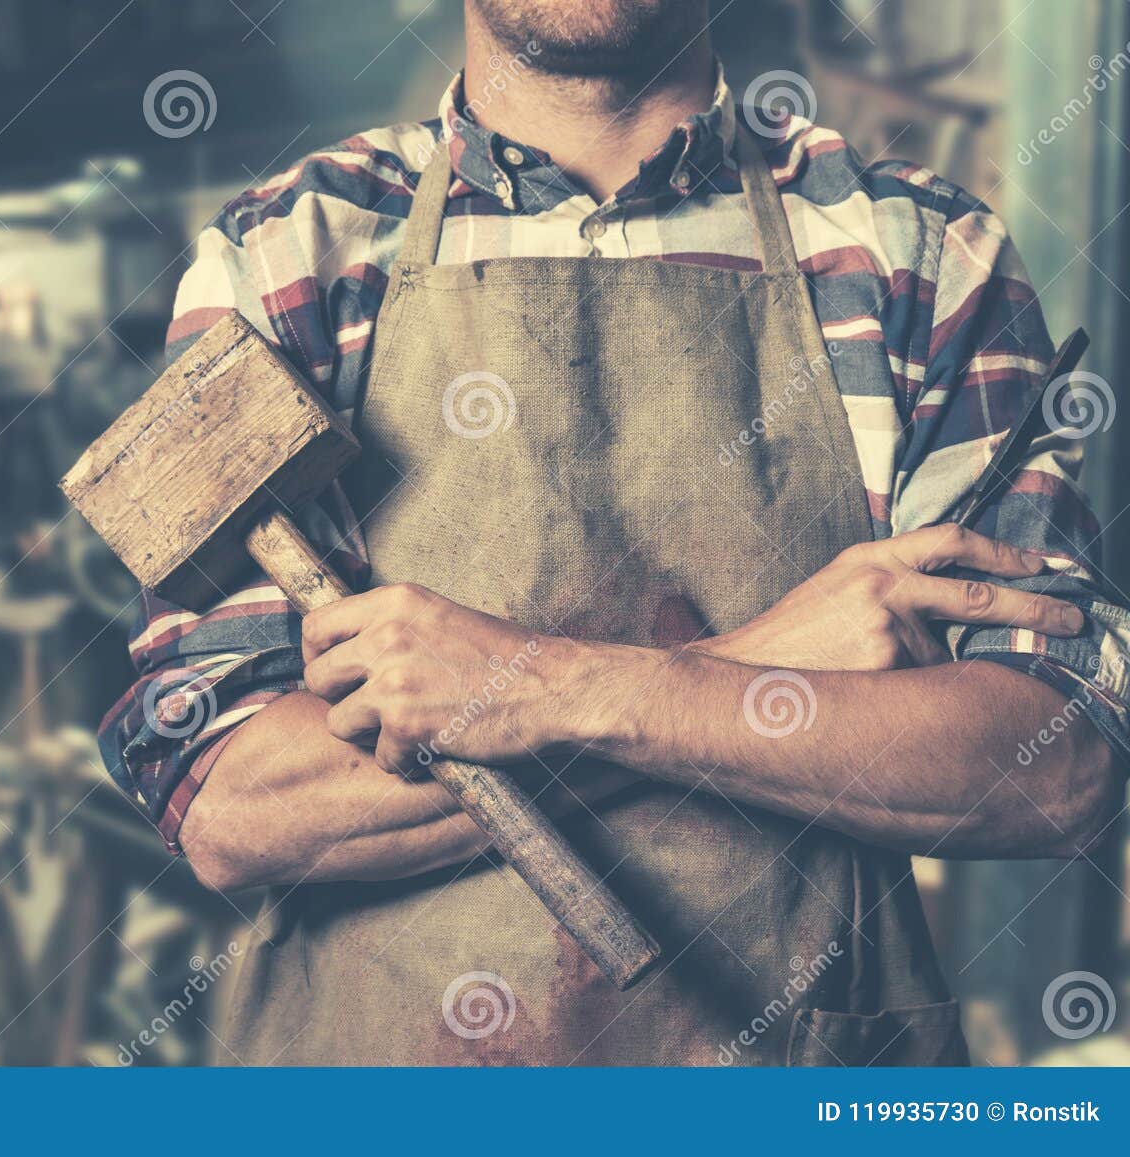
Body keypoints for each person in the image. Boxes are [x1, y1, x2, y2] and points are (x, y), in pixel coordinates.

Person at [99, 0, 1129, 1065]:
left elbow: (1058, 769)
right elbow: (230, 803)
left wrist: (540, 690)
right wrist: (760, 666)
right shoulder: (291, 249)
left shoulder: (916, 256)